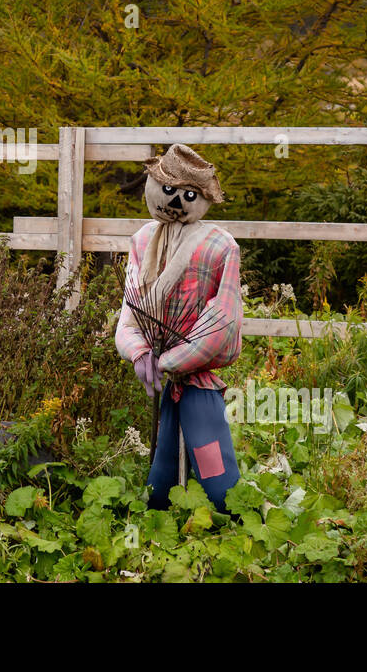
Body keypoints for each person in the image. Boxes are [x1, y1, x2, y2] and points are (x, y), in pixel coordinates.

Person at [114, 143, 243, 512]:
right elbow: (131, 305)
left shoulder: (220, 247)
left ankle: (229, 514)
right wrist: (138, 352)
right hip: (164, 376)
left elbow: (223, 320)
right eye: (168, 190)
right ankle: (157, 517)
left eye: (188, 195)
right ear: (153, 185)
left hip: (195, 380)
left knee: (212, 460)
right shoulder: (141, 241)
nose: (175, 202)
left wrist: (171, 361)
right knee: (163, 468)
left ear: (203, 199)